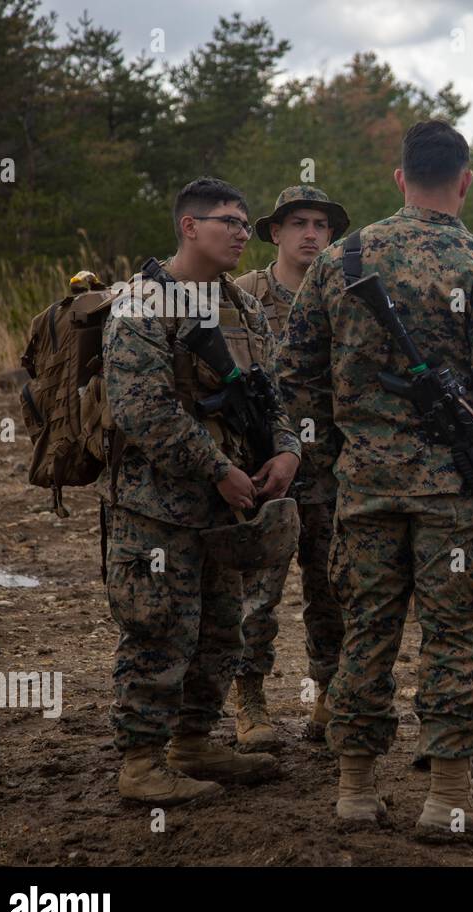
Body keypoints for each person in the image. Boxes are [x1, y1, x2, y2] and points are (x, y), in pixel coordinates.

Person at [278, 120, 473, 835]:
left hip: (363, 490)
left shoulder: (339, 261)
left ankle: (355, 788)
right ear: (465, 180)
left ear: (399, 178)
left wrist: (337, 460)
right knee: (454, 638)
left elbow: (294, 380)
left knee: (366, 632)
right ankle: (449, 794)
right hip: (455, 497)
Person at [105, 177, 301, 805]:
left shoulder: (239, 306)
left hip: (228, 504)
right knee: (158, 629)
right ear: (189, 226)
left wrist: (287, 449)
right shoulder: (141, 303)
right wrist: (217, 466)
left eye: (247, 225)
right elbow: (143, 410)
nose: (244, 233)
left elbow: (269, 392)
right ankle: (141, 763)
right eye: (229, 222)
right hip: (156, 507)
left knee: (222, 632)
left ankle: (191, 743)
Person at [233, 186, 351, 752]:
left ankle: (329, 695)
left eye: (322, 225)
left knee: (332, 589)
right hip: (263, 470)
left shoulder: (346, 296)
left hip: (331, 468)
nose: (311, 234)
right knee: (258, 590)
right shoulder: (243, 297)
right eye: (299, 223)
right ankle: (249, 699)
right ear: (274, 233)